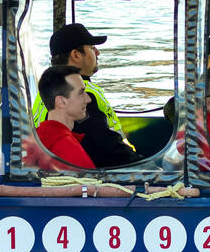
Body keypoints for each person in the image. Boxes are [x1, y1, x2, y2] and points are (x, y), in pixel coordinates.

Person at [30, 23, 139, 167]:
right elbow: (105, 146)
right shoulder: (80, 97)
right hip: (103, 175)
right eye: (92, 48)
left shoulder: (45, 92)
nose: (98, 53)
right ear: (76, 54)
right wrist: (142, 165)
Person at [34, 65, 96, 169]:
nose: (88, 99)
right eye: (81, 93)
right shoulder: (68, 149)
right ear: (61, 102)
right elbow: (89, 184)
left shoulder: (35, 139)